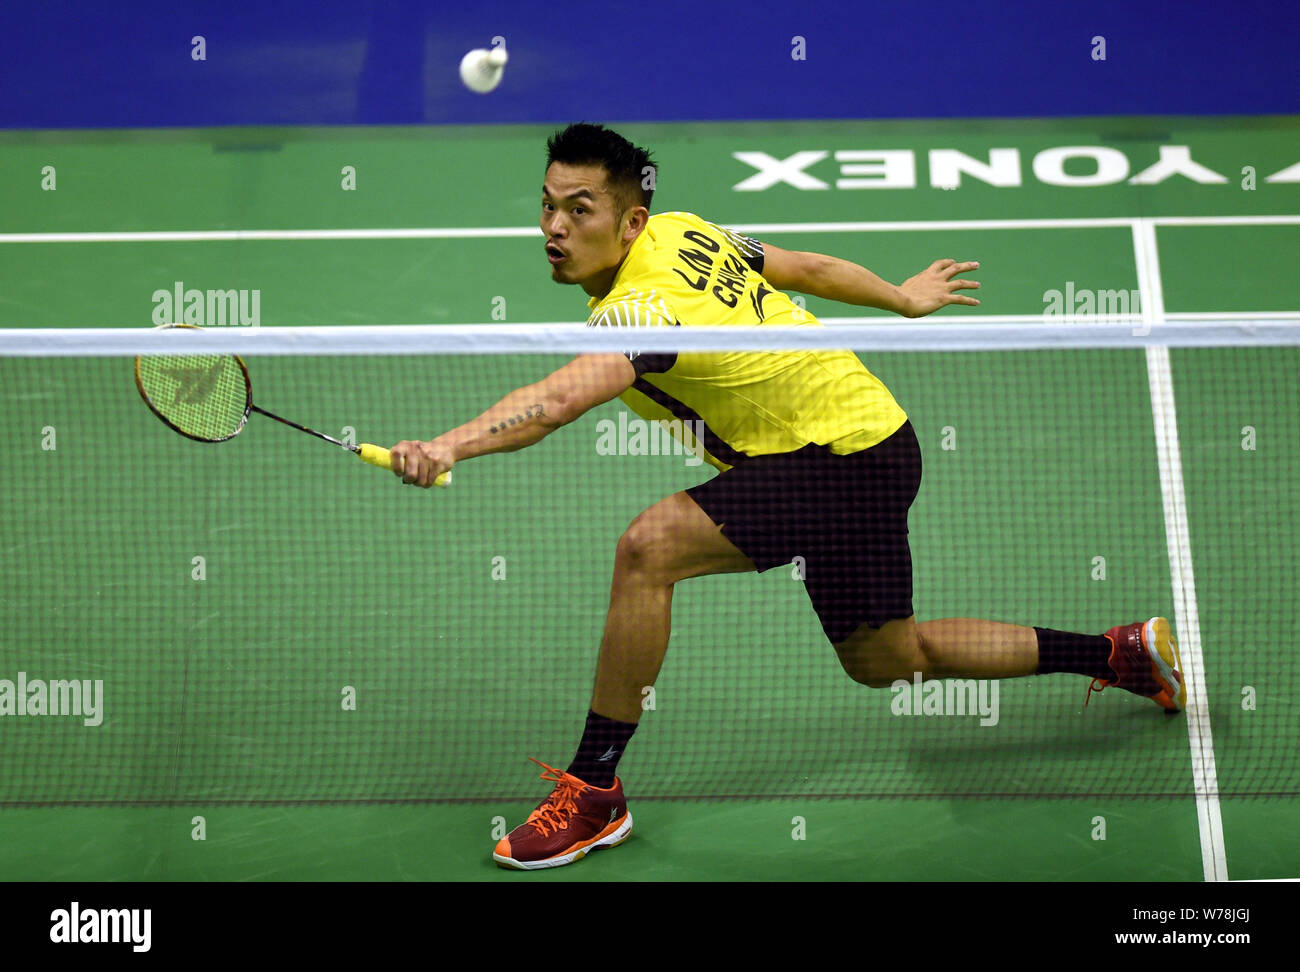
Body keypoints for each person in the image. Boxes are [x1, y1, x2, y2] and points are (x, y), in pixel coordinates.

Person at [389, 123, 1184, 871]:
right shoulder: (688, 230)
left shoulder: (641, 308)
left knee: (648, 548)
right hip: (876, 439)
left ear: (631, 222)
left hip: (835, 457)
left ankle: (595, 791)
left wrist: (449, 446)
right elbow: (802, 266)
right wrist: (899, 298)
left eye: (579, 210)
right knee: (887, 660)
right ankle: (1122, 654)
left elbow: (559, 401)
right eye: (549, 204)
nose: (553, 227)